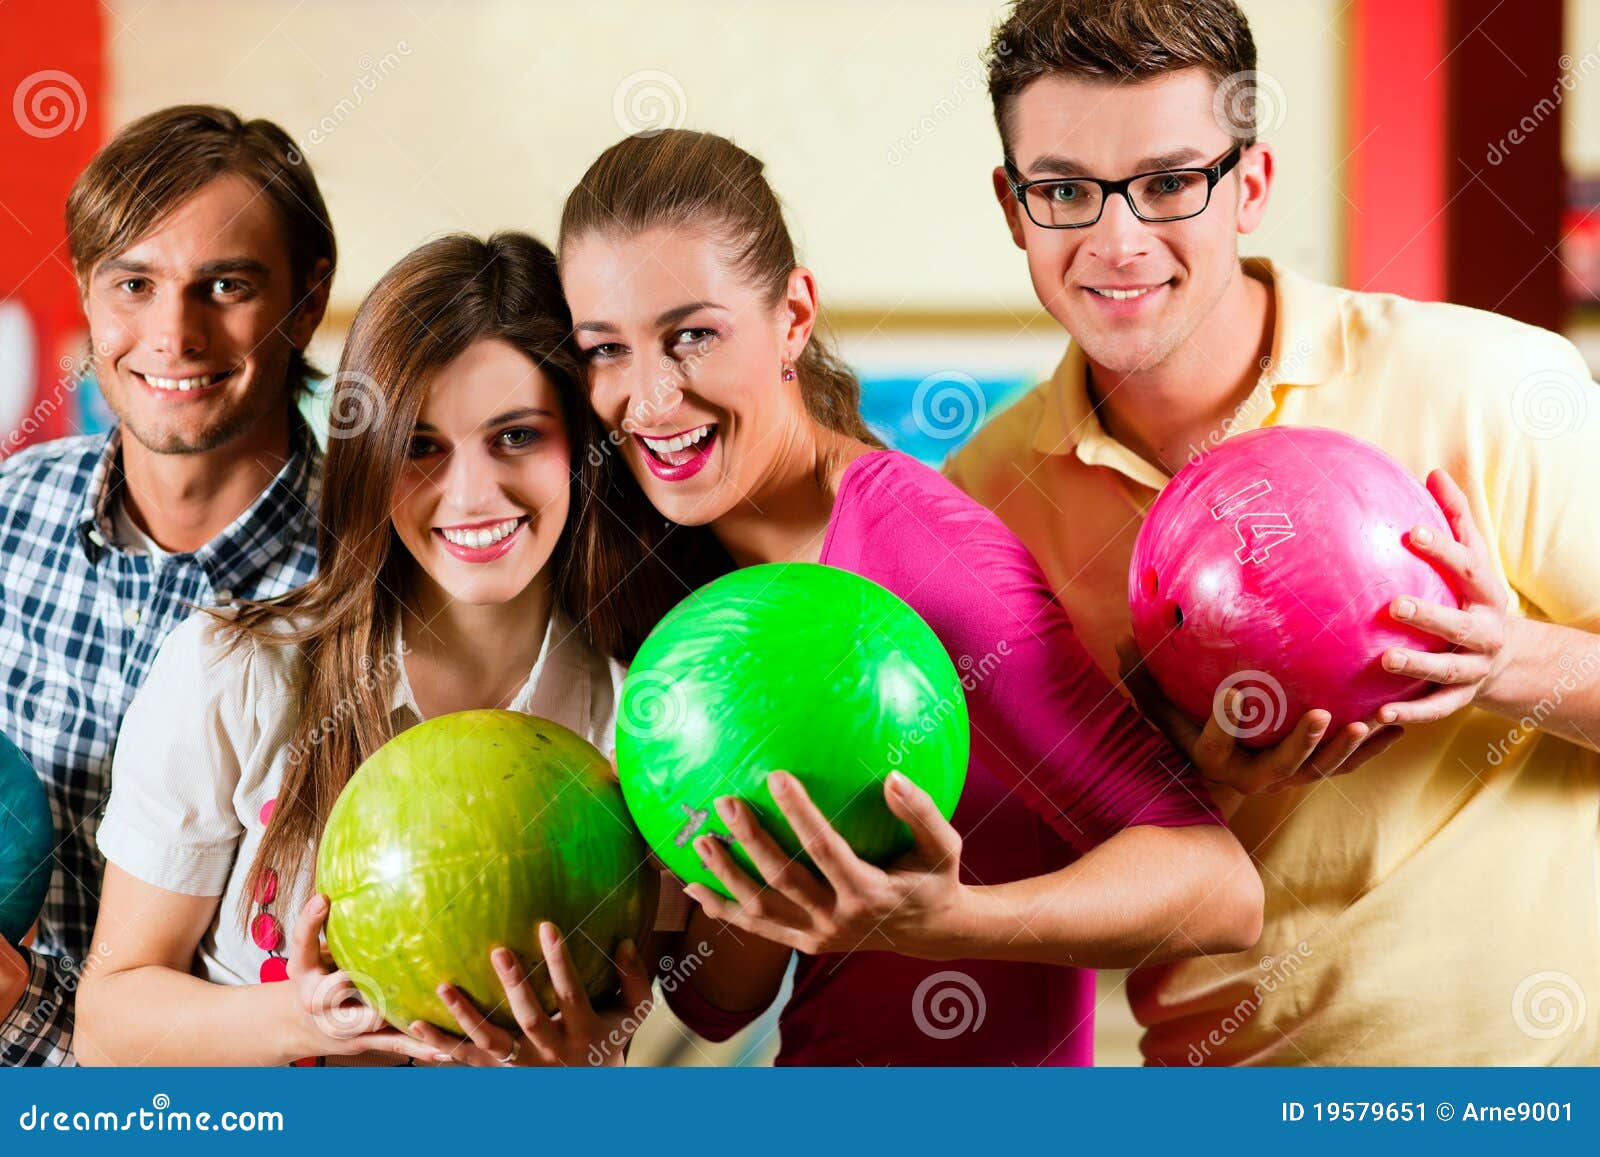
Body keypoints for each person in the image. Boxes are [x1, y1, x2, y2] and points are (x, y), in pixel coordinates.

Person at [945, 0, 1600, 1063]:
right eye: (1064, 190)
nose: (1118, 242)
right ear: (1013, 207)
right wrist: (1176, 781)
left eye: (1167, 183)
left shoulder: (1494, 382)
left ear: (1248, 185)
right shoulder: (980, 499)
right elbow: (1030, 869)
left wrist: (1504, 656)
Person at [556, 128, 1265, 1066]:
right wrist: (775, 888)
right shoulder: (698, 580)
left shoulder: (924, 557)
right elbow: (724, 1005)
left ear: (794, 318)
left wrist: (953, 920)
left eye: (692, 336)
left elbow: (1220, 888)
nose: (646, 399)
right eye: (606, 349)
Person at [76, 233, 669, 1067]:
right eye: (421, 446)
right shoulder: (233, 671)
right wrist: (307, 1020)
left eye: (516, 437)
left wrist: (575, 1081)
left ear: (580, 444)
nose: (472, 495)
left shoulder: (644, 729)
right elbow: (106, 1026)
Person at [0, 105, 331, 1066]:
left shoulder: (381, 589)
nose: (172, 334)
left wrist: (21, 1008)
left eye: (225, 286)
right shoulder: (7, 521)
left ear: (307, 304)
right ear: (88, 297)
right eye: (133, 283)